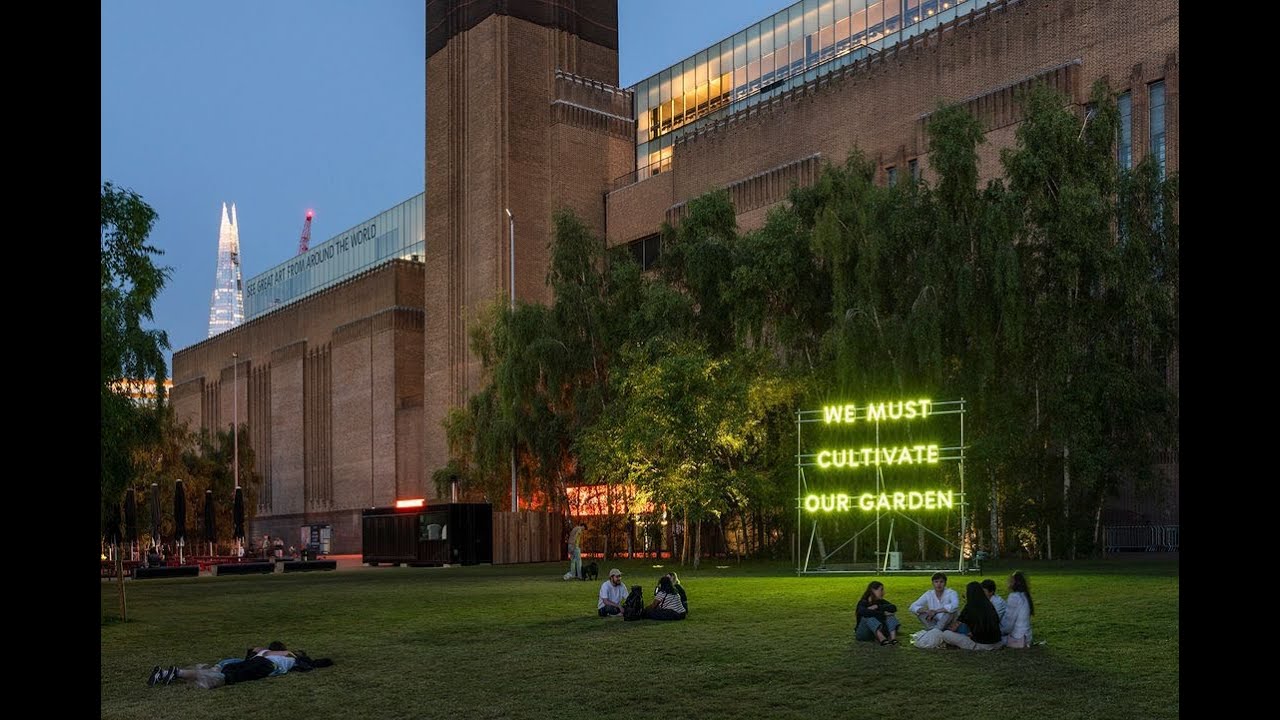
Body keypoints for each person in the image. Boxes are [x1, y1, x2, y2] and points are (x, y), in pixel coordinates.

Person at [146, 641, 323, 689]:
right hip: (266, 666)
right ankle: (179, 673)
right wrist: (295, 654)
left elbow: (252, 651)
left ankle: (175, 673)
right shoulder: (286, 656)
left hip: (254, 662)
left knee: (228, 668)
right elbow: (289, 656)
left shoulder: (260, 651)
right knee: (230, 677)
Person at [939, 582, 1003, 650]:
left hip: (982, 645)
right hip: (998, 643)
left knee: (946, 634)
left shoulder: (970, 607)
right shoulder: (989, 604)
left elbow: (954, 627)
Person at [854, 580, 900, 645]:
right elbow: (863, 612)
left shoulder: (880, 602)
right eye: (881, 590)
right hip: (864, 633)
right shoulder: (863, 602)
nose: (883, 593)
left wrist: (877, 606)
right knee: (868, 617)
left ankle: (893, 639)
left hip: (878, 631)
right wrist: (883, 613)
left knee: (890, 616)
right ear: (873, 590)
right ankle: (882, 640)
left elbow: (893, 608)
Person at [1001, 571, 1035, 648]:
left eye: (1010, 580)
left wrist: (999, 630)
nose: (1008, 582)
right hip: (1026, 637)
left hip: (1019, 639)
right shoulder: (1024, 595)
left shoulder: (1014, 597)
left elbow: (1009, 622)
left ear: (1015, 583)